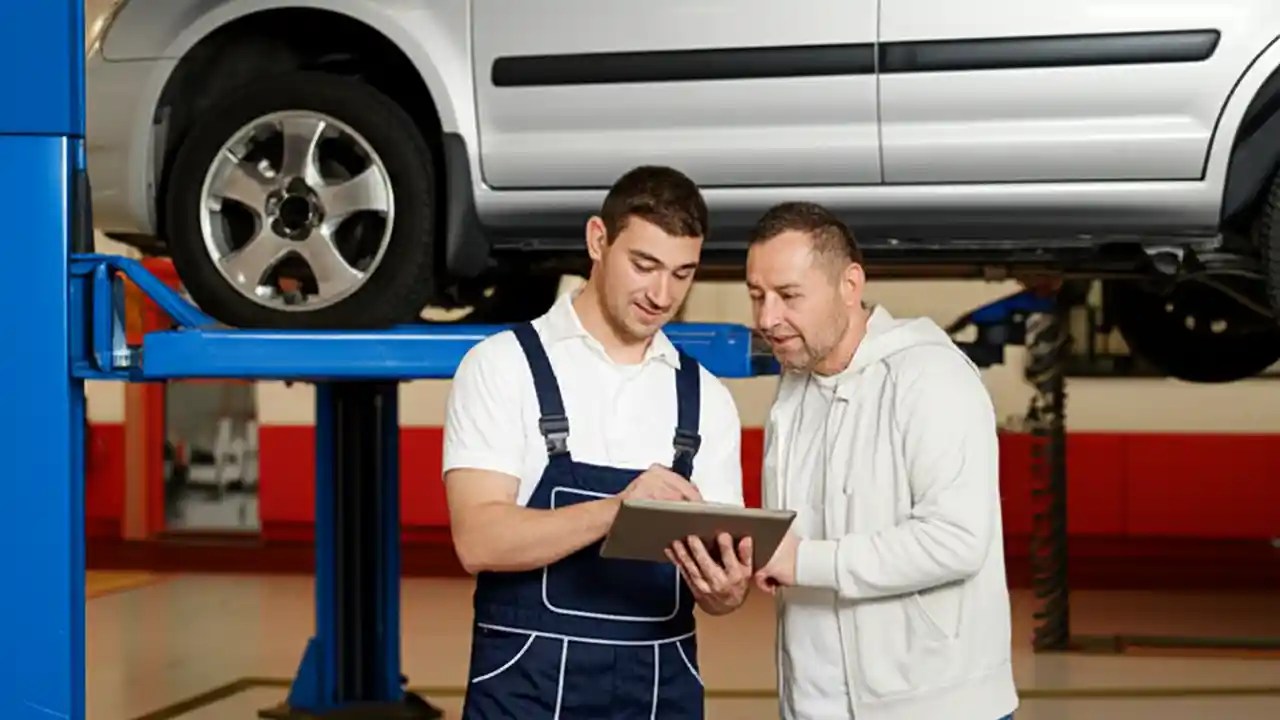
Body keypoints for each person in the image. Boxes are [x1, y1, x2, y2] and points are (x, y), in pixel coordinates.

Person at [442, 165, 753, 719]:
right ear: (597, 240)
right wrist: (617, 512)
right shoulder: (502, 367)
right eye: (644, 265)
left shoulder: (705, 397)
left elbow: (719, 574)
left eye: (683, 274)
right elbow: (478, 540)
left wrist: (726, 593)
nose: (662, 294)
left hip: (660, 689)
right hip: (525, 688)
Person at [744, 201, 1019, 720]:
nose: (766, 318)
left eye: (788, 295)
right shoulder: (794, 390)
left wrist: (801, 561)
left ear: (850, 285)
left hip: (938, 707)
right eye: (757, 295)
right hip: (812, 703)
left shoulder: (931, 377)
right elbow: (790, 541)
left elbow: (957, 540)